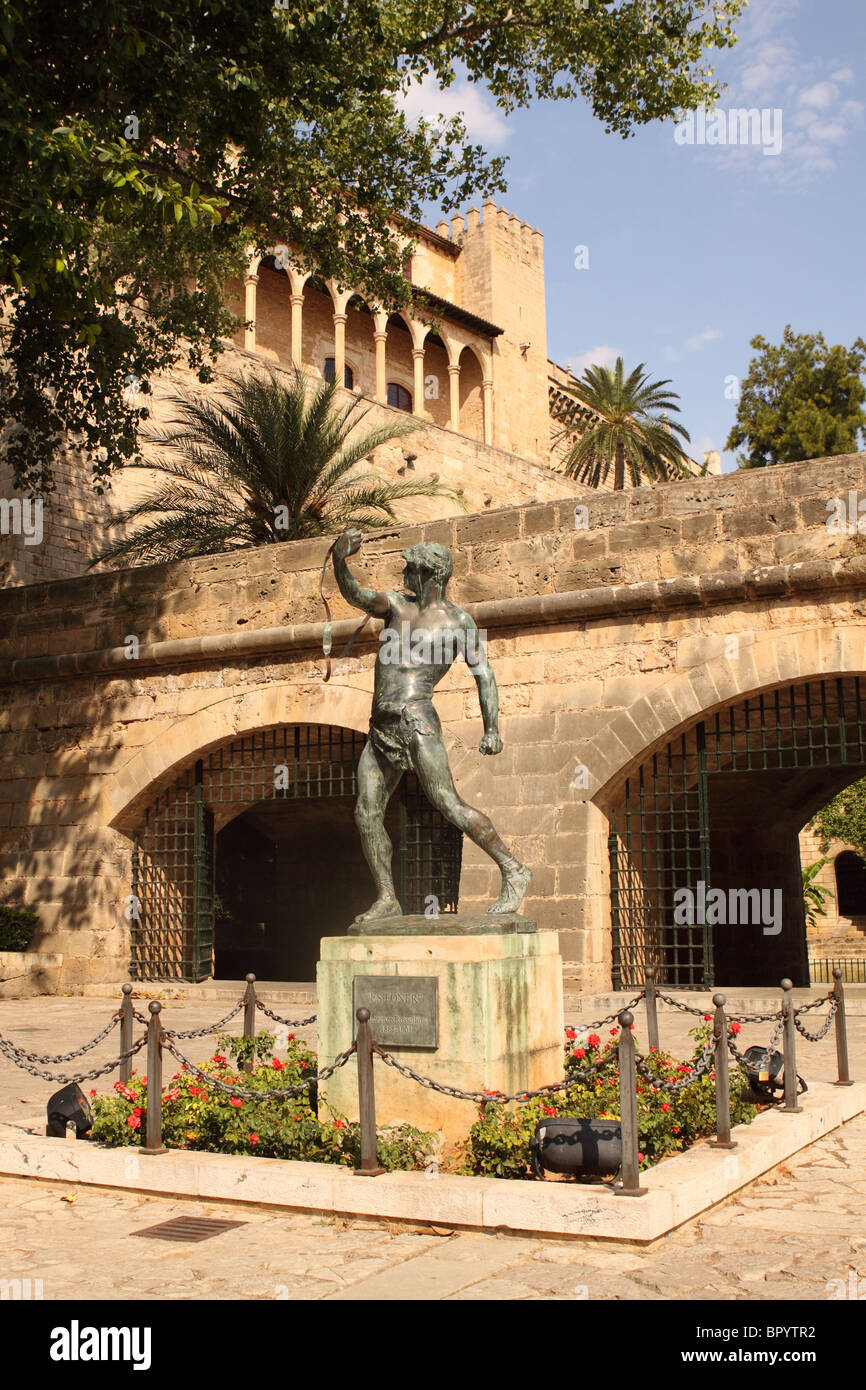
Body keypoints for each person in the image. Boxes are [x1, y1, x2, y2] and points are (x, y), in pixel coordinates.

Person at [332, 528, 532, 923]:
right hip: (381, 726)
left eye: (410, 567)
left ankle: (513, 869)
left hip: (416, 718)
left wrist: (491, 729)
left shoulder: (459, 622)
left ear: (428, 574)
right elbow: (356, 594)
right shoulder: (395, 606)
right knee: (366, 812)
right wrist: (339, 560)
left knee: (447, 802)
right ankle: (388, 897)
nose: (403, 571)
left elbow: (484, 675)